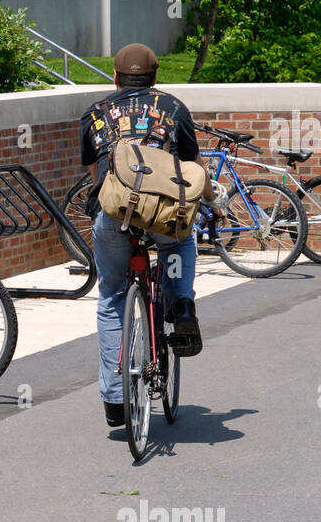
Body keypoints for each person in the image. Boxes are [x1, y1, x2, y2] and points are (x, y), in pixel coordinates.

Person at [79, 43, 223, 428]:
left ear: (115, 77)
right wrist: (213, 201)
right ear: (156, 78)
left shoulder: (95, 113)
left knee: (111, 294)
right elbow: (192, 167)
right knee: (181, 240)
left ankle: (114, 401)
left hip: (116, 216)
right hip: (163, 213)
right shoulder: (173, 108)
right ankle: (181, 305)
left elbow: (97, 177)